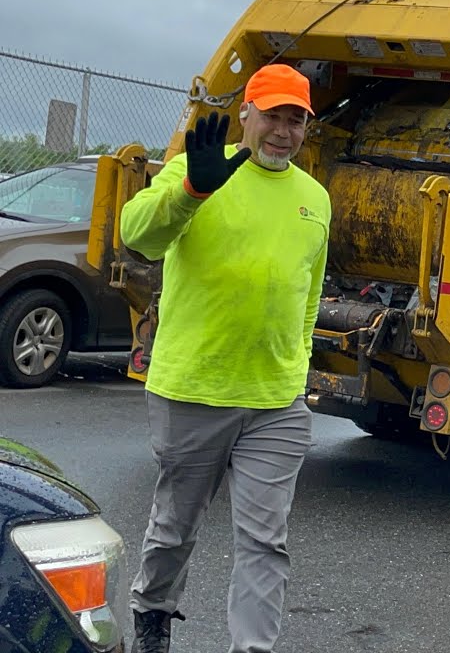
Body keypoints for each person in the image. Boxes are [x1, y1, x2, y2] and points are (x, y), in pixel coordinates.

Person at [120, 64, 331, 653]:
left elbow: (308, 296)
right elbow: (137, 236)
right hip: (194, 389)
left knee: (266, 542)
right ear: (246, 113)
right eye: (272, 116)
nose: (283, 132)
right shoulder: (197, 169)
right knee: (174, 530)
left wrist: (298, 368)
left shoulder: (314, 199)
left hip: (275, 402)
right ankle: (153, 614)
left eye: (295, 120)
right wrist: (190, 194)